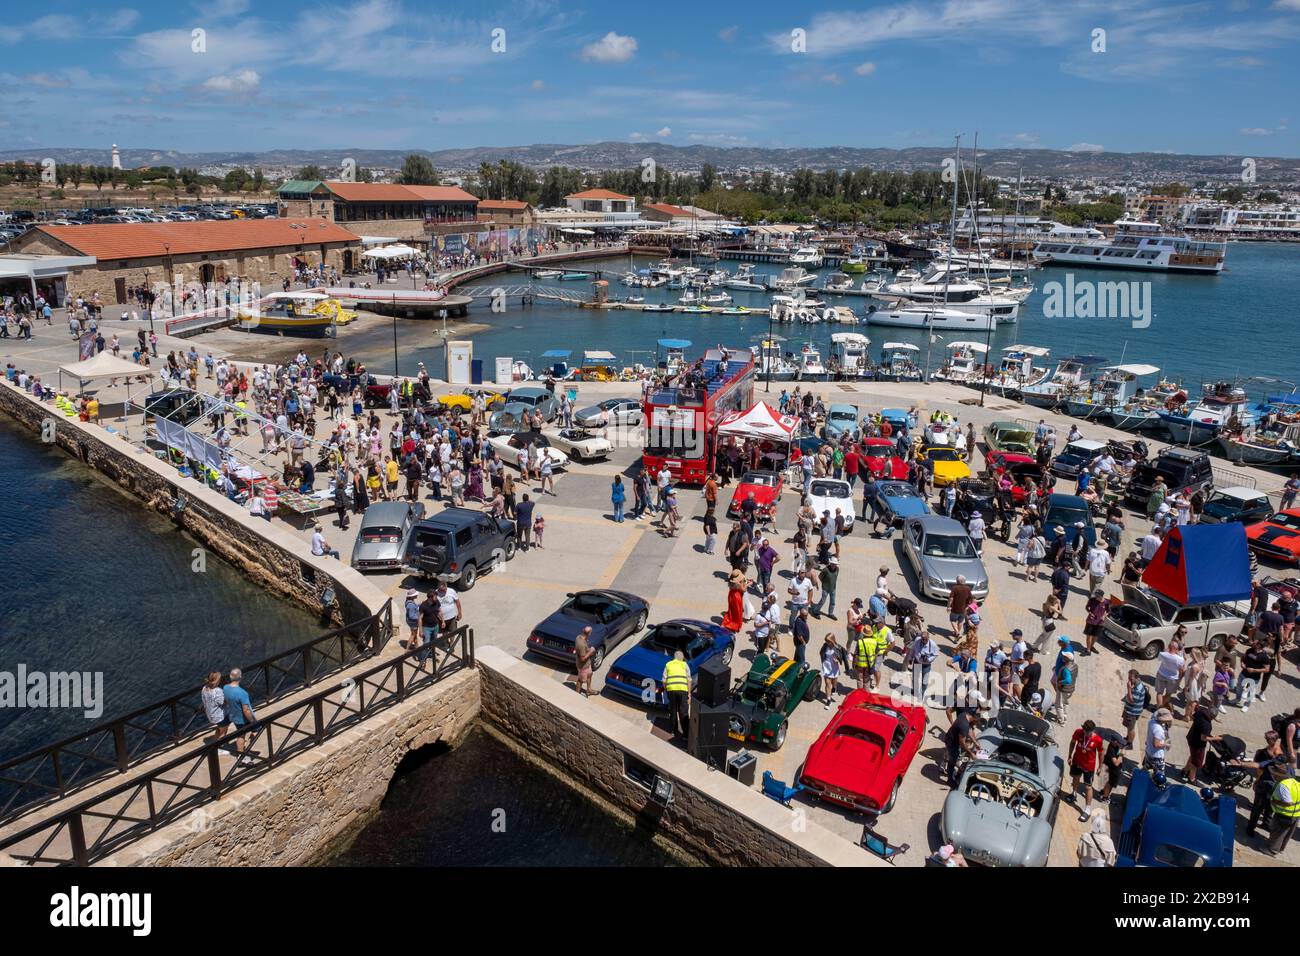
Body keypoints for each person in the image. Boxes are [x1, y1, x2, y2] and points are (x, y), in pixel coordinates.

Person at [1066, 719, 1104, 822]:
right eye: (1085, 731)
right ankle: (1073, 793)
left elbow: (1101, 754)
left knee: (1088, 787)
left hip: (1089, 766)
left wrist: (1100, 767)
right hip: (1077, 761)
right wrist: (1069, 755)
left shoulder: (1098, 740)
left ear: (1093, 730)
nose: (1086, 733)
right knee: (1075, 778)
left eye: (1088, 732)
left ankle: (1087, 809)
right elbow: (1072, 743)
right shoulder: (1078, 732)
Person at [1182, 696, 1220, 786]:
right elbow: (1203, 738)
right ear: (1212, 717)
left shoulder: (1200, 712)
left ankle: (1185, 770)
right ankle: (1192, 778)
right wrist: (1215, 738)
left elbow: (1193, 716)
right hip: (1198, 744)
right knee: (1196, 762)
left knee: (1192, 755)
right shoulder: (1207, 725)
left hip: (1191, 737)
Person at [221, 668, 256, 764]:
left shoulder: (225, 688)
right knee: (245, 735)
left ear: (230, 677)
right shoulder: (242, 693)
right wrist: (252, 721)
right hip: (242, 719)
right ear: (240, 677)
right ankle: (242, 757)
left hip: (233, 715)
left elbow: (226, 701)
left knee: (243, 734)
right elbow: (246, 710)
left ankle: (243, 753)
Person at [944, 707, 981, 787]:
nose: (975, 724)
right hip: (951, 743)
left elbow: (970, 729)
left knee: (955, 755)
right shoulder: (964, 725)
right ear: (973, 718)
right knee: (953, 759)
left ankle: (951, 766)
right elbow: (962, 743)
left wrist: (975, 742)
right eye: (976, 722)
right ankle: (950, 780)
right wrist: (971, 753)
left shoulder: (964, 715)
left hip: (952, 738)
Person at [663, 649, 691, 735]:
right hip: (682, 690)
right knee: (684, 712)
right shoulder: (684, 665)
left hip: (671, 690)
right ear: (682, 658)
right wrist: (689, 694)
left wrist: (666, 690)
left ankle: (673, 731)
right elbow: (689, 680)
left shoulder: (668, 664)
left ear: (674, 658)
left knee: (673, 710)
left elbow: (664, 680)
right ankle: (686, 734)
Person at [1121, 669, 1150, 750]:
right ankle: (1128, 738)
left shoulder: (1138, 689)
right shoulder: (1137, 683)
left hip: (1132, 712)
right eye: (1129, 678)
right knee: (1129, 726)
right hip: (1130, 710)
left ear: (1137, 677)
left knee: (1131, 728)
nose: (1129, 680)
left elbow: (1131, 700)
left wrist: (1129, 689)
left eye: (1131, 678)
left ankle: (1130, 744)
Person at [1144, 708, 1174, 773]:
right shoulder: (1159, 730)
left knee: (1146, 770)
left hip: (1148, 751)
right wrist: (1166, 744)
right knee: (1159, 775)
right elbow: (1156, 744)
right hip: (1157, 756)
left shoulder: (1151, 721)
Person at [201, 671, 227, 744]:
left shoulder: (204, 688)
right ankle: (220, 748)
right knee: (223, 730)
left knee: (219, 728)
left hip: (211, 714)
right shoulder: (218, 691)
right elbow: (223, 702)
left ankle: (216, 741)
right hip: (220, 716)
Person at [819, 633, 842, 707]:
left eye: (828, 641)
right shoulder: (825, 646)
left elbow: (841, 657)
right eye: (826, 641)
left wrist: (838, 660)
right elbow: (821, 652)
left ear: (832, 640)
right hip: (826, 667)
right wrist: (823, 660)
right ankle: (828, 700)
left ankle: (834, 687)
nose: (827, 643)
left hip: (834, 667)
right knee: (827, 684)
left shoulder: (837, 647)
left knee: (834, 681)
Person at [1082, 589, 1108, 656]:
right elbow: (1087, 607)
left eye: (1098, 596)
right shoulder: (1092, 600)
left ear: (1102, 596)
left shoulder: (1106, 603)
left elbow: (1108, 611)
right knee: (1089, 635)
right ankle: (1088, 650)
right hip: (1091, 621)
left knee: (1095, 636)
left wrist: (1104, 616)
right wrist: (1090, 613)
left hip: (1100, 622)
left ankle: (1091, 647)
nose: (1096, 597)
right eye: (1096, 595)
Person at [722, 568, 747, 633]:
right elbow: (743, 590)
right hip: (737, 597)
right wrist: (747, 584)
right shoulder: (738, 584)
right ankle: (735, 626)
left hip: (731, 595)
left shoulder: (731, 582)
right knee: (737, 612)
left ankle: (727, 622)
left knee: (731, 610)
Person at [575, 626, 596, 697]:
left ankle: (589, 690)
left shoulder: (578, 637)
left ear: (583, 630)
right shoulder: (582, 645)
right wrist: (590, 651)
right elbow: (582, 659)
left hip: (587, 664)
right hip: (583, 666)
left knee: (590, 674)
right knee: (580, 680)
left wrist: (588, 649)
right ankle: (576, 695)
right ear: (589, 633)